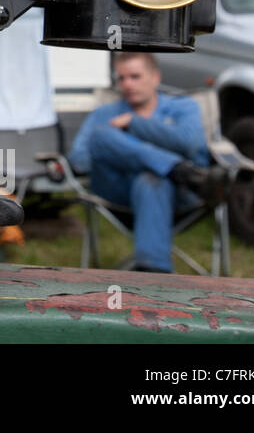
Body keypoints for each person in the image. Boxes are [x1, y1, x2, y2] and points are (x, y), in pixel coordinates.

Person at [68, 52, 225, 273]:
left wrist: (134, 124)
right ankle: (177, 169)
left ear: (155, 77)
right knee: (100, 136)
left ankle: (153, 272)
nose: (127, 84)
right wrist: (124, 153)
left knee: (151, 179)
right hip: (118, 190)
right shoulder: (104, 113)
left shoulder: (183, 107)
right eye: (121, 78)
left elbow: (189, 143)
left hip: (178, 194)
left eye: (135, 76)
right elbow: (79, 159)